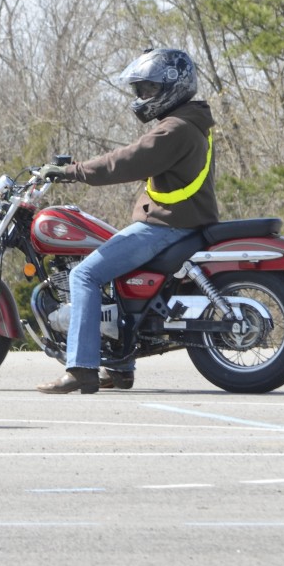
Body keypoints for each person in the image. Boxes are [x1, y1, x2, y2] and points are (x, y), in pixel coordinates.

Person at [36, 47, 218, 394]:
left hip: (167, 226)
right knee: (111, 275)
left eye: (149, 89)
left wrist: (71, 172)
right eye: (141, 89)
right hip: (178, 221)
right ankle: (119, 367)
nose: (143, 97)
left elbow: (127, 160)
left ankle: (82, 368)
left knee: (85, 274)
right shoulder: (190, 122)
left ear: (172, 87)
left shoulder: (175, 129)